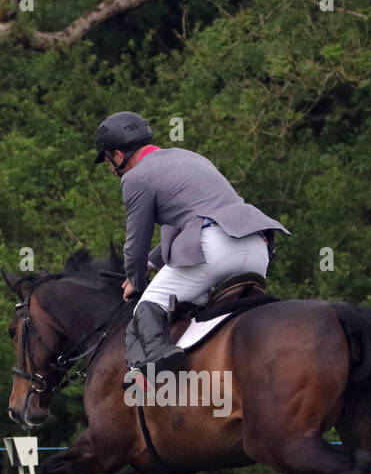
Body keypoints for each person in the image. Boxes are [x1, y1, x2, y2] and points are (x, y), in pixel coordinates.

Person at [94, 111, 290, 384]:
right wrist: (152, 263)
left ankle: (162, 364)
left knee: (149, 305)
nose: (112, 170)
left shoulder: (135, 178)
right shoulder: (191, 157)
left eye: (108, 162)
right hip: (257, 246)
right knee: (198, 309)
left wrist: (137, 283)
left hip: (215, 250)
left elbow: (135, 245)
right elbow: (186, 227)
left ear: (117, 155)